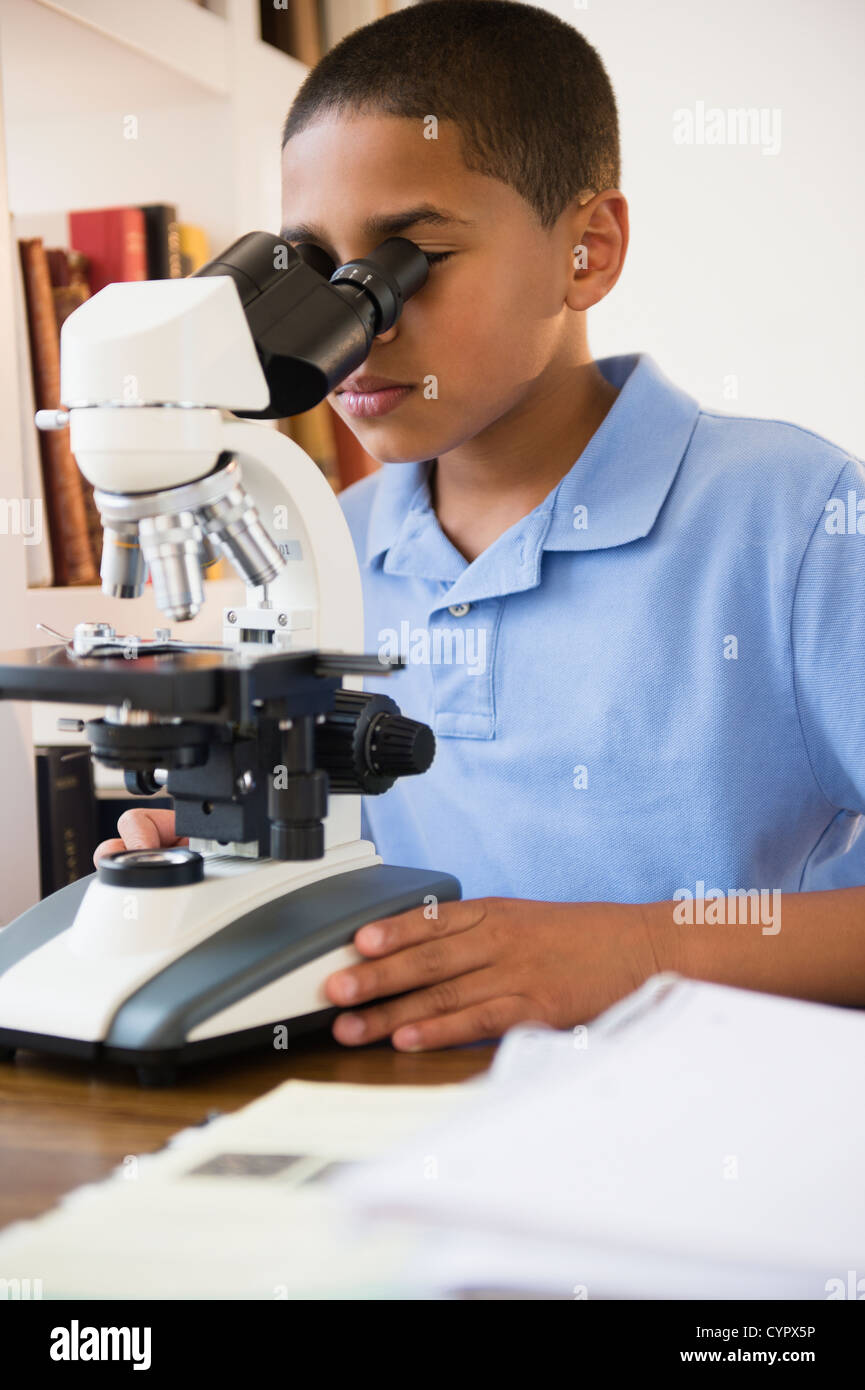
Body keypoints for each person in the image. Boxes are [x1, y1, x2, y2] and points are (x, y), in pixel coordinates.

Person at [95, 0, 865, 1050]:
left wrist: (635, 950)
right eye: (312, 268)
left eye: (407, 257)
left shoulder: (797, 518)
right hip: (408, 1120)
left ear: (585, 251)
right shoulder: (318, 548)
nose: (351, 328)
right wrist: (225, 848)